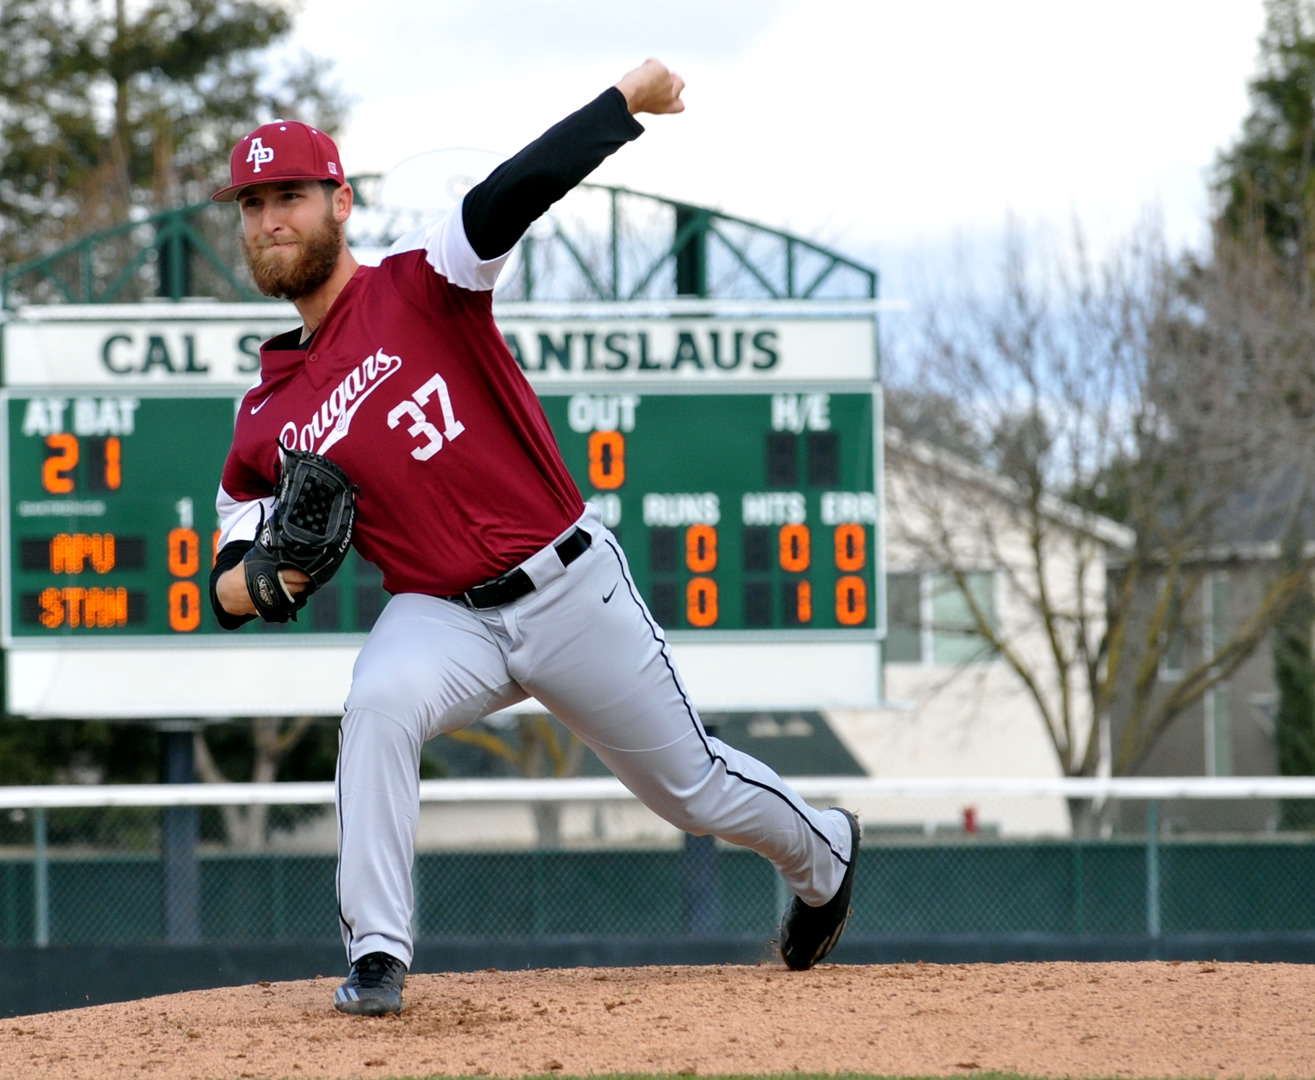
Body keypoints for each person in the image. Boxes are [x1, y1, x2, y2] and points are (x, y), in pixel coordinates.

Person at [206, 59, 859, 1016]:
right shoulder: (265, 413)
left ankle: (826, 853)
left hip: (567, 586)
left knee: (694, 791)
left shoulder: (423, 280)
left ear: (339, 201)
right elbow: (222, 572)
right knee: (378, 704)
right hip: (442, 615)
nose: (270, 219)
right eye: (253, 202)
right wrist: (258, 582)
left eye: (291, 196)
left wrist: (623, 104)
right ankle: (378, 955)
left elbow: (513, 189)